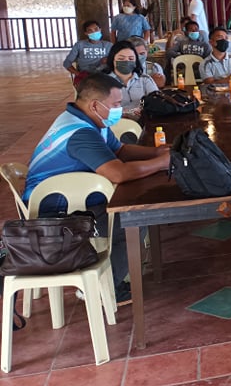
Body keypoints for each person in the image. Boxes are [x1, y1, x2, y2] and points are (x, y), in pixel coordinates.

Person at [23, 73, 170, 305]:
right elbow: (118, 173)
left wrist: (158, 152)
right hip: (55, 217)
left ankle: (109, 278)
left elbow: (120, 150)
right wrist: (162, 163)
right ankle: (104, 288)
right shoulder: (81, 133)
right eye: (115, 104)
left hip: (70, 200)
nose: (119, 109)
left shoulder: (87, 120)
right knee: (132, 220)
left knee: (130, 209)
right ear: (95, 104)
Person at [103, 40, 158, 118]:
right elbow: (100, 108)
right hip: (114, 124)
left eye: (131, 59)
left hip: (143, 121)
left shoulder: (145, 79)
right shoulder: (103, 82)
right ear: (113, 59)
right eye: (121, 59)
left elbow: (157, 101)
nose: (126, 61)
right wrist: (125, 112)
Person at [63, 20, 111, 86]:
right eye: (90, 30)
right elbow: (66, 63)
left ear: (100, 30)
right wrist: (79, 74)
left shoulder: (109, 45)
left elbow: (117, 60)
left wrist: (109, 60)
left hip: (104, 75)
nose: (94, 32)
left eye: (96, 29)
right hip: (85, 76)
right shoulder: (79, 45)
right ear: (86, 33)